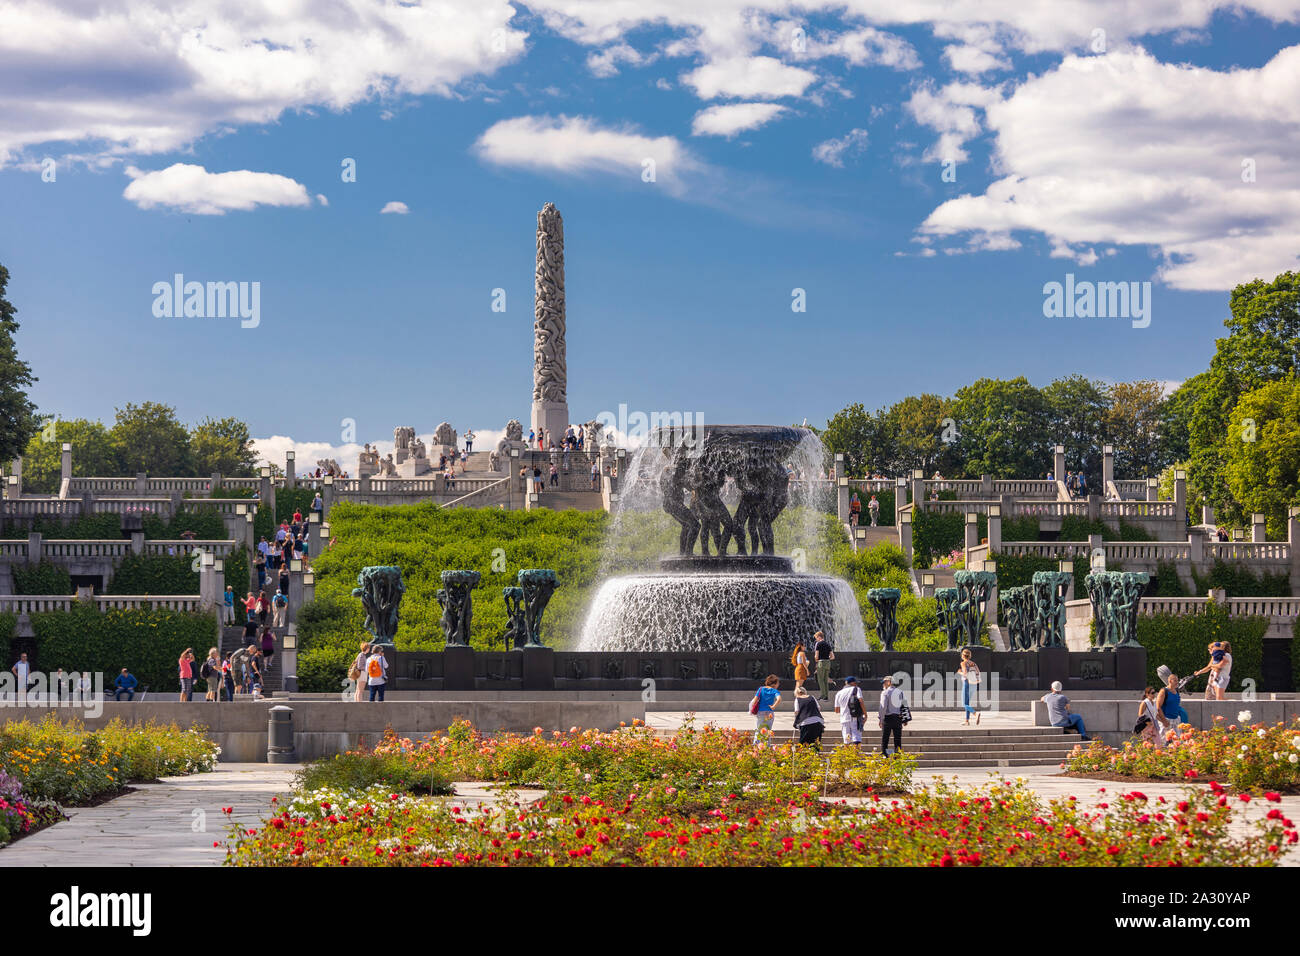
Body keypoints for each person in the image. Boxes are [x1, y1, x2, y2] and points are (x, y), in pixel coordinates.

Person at [878, 674, 909, 756]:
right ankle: (898, 756)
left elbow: (883, 707)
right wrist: (905, 719)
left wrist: (881, 719)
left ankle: (885, 755)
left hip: (888, 718)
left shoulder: (885, 692)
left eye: (884, 682)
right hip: (898, 718)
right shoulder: (900, 692)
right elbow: (904, 705)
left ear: (889, 682)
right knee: (897, 739)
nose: (883, 684)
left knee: (885, 738)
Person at [749, 674, 781, 746]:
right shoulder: (774, 691)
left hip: (760, 712)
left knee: (759, 728)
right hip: (769, 713)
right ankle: (767, 746)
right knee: (768, 730)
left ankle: (756, 745)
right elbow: (779, 699)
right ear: (774, 683)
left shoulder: (761, 689)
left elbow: (755, 700)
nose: (778, 685)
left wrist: (751, 709)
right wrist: (773, 706)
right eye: (778, 683)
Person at [834, 674, 865, 747]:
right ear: (852, 683)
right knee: (856, 737)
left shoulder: (839, 693)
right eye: (855, 683)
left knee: (846, 739)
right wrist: (865, 714)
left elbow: (837, 710)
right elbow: (861, 701)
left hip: (844, 718)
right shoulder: (856, 689)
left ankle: (847, 756)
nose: (856, 684)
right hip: (855, 716)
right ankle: (855, 756)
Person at [958, 648, 980, 725]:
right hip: (974, 684)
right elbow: (978, 673)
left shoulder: (963, 663)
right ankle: (967, 721)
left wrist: (960, 672)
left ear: (963, 656)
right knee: (967, 703)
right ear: (969, 656)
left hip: (967, 683)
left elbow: (965, 673)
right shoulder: (973, 663)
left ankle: (975, 714)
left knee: (964, 704)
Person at [813, 630, 834, 701]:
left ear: (819, 637)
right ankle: (826, 696)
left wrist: (817, 661)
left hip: (821, 662)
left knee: (820, 679)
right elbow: (832, 656)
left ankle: (823, 695)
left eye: (816, 638)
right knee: (825, 680)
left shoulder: (818, 644)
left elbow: (816, 656)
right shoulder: (828, 644)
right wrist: (827, 658)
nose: (816, 639)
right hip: (828, 663)